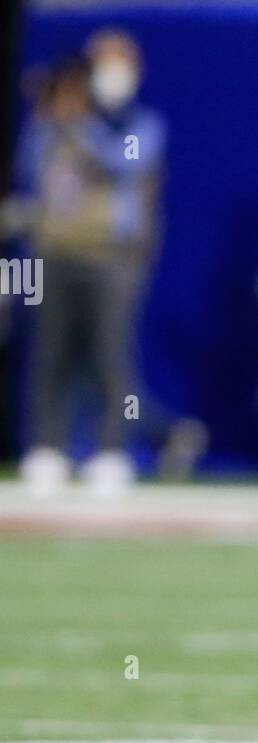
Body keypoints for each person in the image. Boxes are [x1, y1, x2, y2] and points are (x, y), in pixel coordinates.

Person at [15, 30, 166, 493]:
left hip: (112, 257)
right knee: (51, 354)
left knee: (110, 355)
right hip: (56, 253)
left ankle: (110, 450)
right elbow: (29, 167)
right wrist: (50, 115)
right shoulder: (52, 123)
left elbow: (124, 165)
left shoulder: (143, 125)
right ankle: (48, 448)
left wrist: (77, 124)